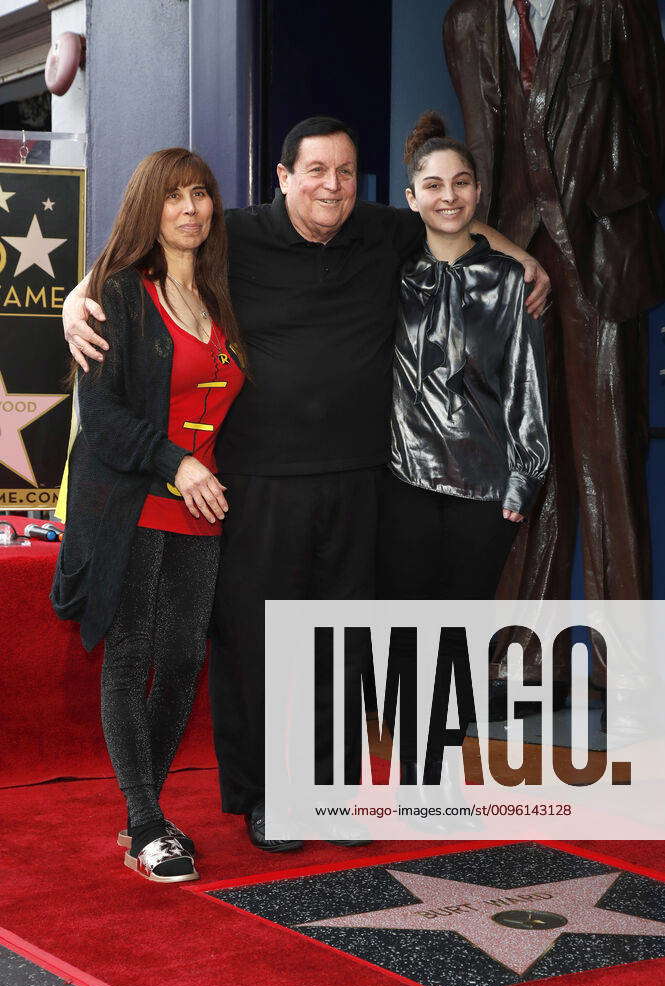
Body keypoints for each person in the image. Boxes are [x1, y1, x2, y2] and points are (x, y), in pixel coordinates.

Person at [62, 117, 551, 852]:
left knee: (342, 650)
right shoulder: (235, 234)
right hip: (255, 483)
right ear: (284, 177)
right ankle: (262, 798)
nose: (332, 185)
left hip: (361, 483)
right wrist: (78, 294)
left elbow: (449, 212)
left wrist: (521, 258)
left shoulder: (381, 232)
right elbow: (153, 237)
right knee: (254, 646)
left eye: (347, 172)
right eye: (316, 171)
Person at [443, 0, 665, 694]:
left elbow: (653, 130)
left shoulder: (613, 10)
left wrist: (599, 205)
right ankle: (519, 667)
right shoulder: (464, 21)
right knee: (520, 468)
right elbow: (482, 148)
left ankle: (623, 673)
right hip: (510, 260)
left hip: (600, 260)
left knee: (609, 469)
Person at [51, 148, 246, 881]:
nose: (190, 208)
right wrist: (177, 463)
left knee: (183, 659)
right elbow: (100, 416)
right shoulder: (120, 294)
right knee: (132, 653)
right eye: (173, 197)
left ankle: (148, 818)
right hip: (134, 503)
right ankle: (146, 820)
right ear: (148, 207)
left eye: (200, 194)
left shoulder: (224, 292)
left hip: (201, 507)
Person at [377, 112, 549, 774]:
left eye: (461, 183)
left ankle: (436, 770)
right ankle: (408, 767)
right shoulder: (387, 272)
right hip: (399, 483)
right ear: (410, 195)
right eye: (432, 184)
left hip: (484, 491)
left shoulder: (508, 283)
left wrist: (523, 476)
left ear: (477, 195)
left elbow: (525, 386)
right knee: (402, 633)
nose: (447, 195)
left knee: (455, 633)